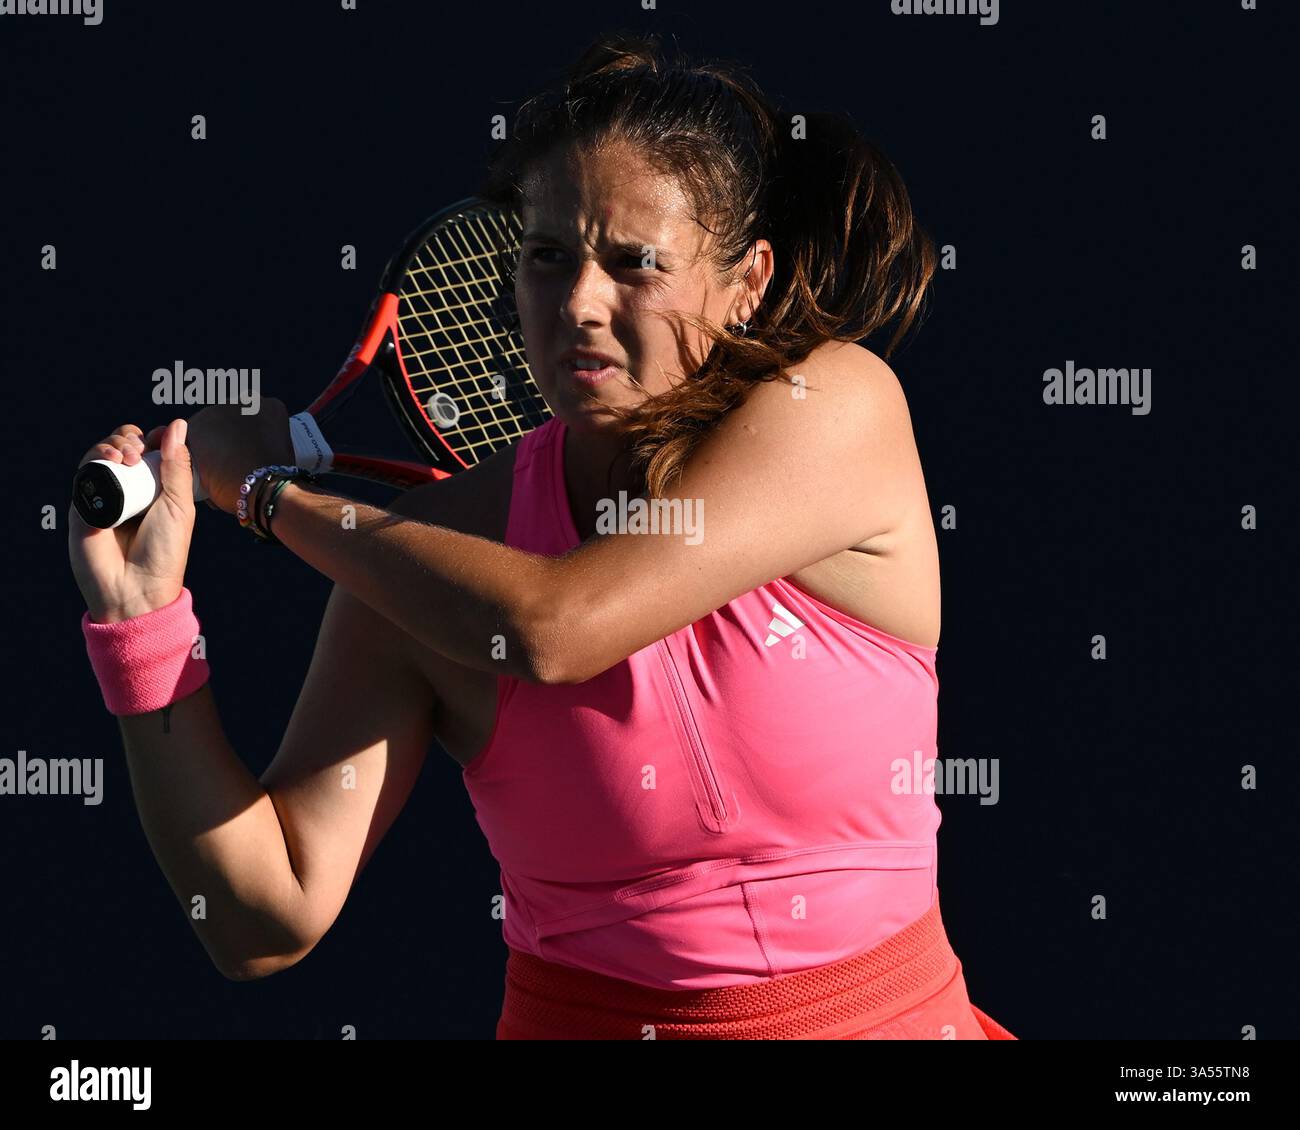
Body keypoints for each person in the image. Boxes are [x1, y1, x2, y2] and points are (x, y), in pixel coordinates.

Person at [68, 31, 1015, 1040]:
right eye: (547, 256)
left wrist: (262, 494)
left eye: (634, 263)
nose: (578, 305)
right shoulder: (419, 566)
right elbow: (266, 916)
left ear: (746, 279)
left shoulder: (833, 405)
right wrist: (143, 625)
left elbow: (556, 629)